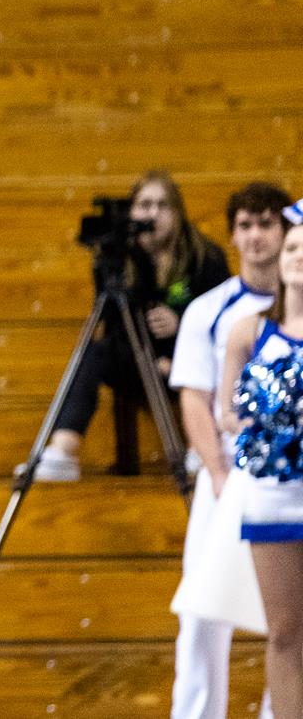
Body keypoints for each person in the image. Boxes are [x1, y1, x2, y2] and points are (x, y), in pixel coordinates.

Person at [170, 182, 286, 719]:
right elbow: (196, 396)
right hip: (230, 475)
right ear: (234, 234)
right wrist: (216, 473)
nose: (256, 235)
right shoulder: (209, 311)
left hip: (290, 479)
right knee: (203, 613)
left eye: (267, 223)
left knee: (288, 618)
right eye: (246, 225)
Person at [39, 170, 230, 481]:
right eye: (145, 205)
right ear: (131, 212)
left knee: (208, 362)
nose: (152, 214)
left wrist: (181, 329)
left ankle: (201, 447)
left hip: (189, 361)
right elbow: (112, 323)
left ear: (177, 212)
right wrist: (151, 362)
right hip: (136, 358)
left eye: (162, 205)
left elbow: (223, 323)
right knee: (93, 351)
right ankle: (64, 448)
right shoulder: (117, 261)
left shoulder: (204, 257)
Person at [222, 207, 303, 717]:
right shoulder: (248, 330)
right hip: (273, 493)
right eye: (294, 249)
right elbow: (227, 413)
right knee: (285, 631)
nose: (299, 259)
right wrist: (267, 428)